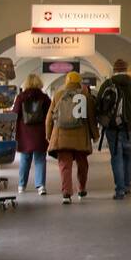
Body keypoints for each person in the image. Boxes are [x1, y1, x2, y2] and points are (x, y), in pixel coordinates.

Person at [46, 70, 99, 204]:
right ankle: (81, 189)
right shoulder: (85, 96)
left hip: (61, 136)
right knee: (82, 164)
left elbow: (49, 119)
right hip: (81, 136)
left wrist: (48, 135)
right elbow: (91, 117)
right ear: (79, 82)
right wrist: (95, 135)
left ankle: (66, 193)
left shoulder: (58, 95)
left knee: (65, 165)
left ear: (66, 82)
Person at [100, 59, 131, 200]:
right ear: (126, 70)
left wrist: (105, 121)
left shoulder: (107, 84)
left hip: (112, 128)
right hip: (129, 128)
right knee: (128, 156)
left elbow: (98, 106)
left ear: (114, 70)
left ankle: (119, 190)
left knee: (116, 158)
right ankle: (127, 187)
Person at [11, 73, 51, 194]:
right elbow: (50, 115)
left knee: (24, 159)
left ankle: (21, 185)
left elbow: (15, 114)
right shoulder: (44, 98)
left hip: (24, 133)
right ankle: (40, 186)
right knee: (40, 159)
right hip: (40, 133)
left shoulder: (20, 97)